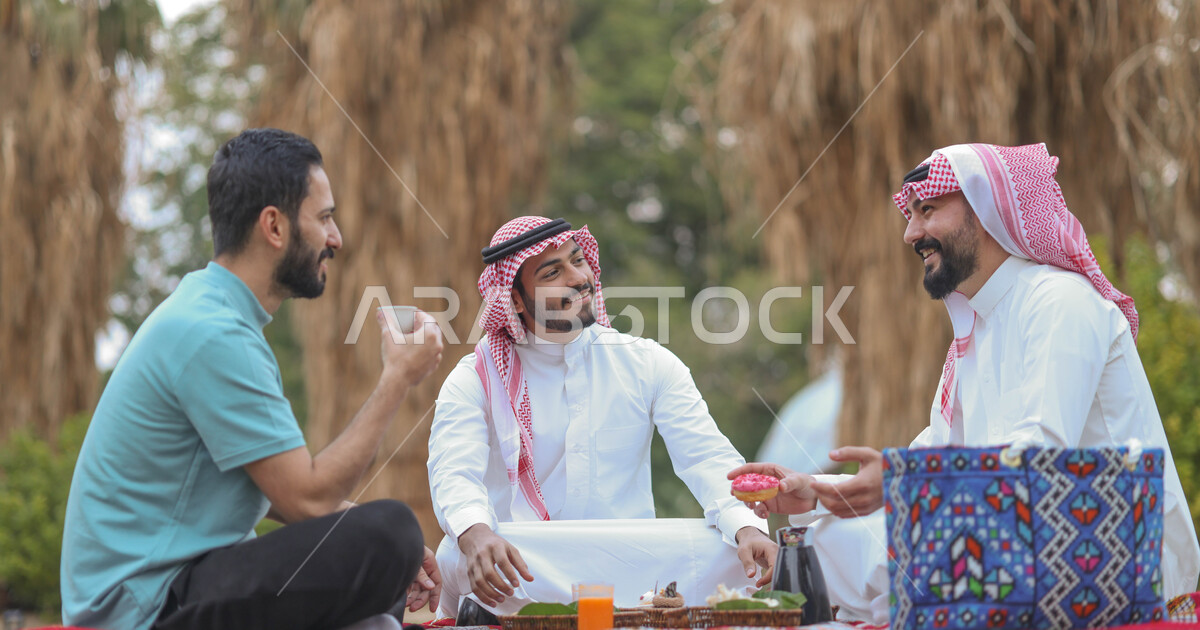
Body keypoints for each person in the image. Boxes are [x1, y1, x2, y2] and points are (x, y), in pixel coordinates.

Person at [732, 143, 1200, 619]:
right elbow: (933, 455)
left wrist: (898, 482)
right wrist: (817, 490)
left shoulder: (1060, 301)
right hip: (1018, 554)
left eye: (928, 210)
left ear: (986, 208)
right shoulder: (975, 329)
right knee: (820, 537)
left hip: (1118, 564)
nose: (911, 233)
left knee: (886, 542)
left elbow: (1041, 461)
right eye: (910, 215)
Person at [61, 128, 445, 630]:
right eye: (325, 218)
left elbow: (276, 493)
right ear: (274, 227)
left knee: (375, 589)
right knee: (390, 531)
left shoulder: (216, 316)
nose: (337, 239)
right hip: (146, 609)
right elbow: (306, 499)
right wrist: (397, 378)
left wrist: (356, 528)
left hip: (179, 588)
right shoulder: (213, 334)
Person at [427, 216, 775, 613]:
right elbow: (454, 473)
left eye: (578, 261)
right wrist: (475, 534)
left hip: (626, 564)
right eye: (553, 272)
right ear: (515, 299)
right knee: (463, 551)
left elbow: (707, 458)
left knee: (731, 547)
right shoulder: (475, 378)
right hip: (523, 567)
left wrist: (747, 527)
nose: (578, 278)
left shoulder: (647, 363)